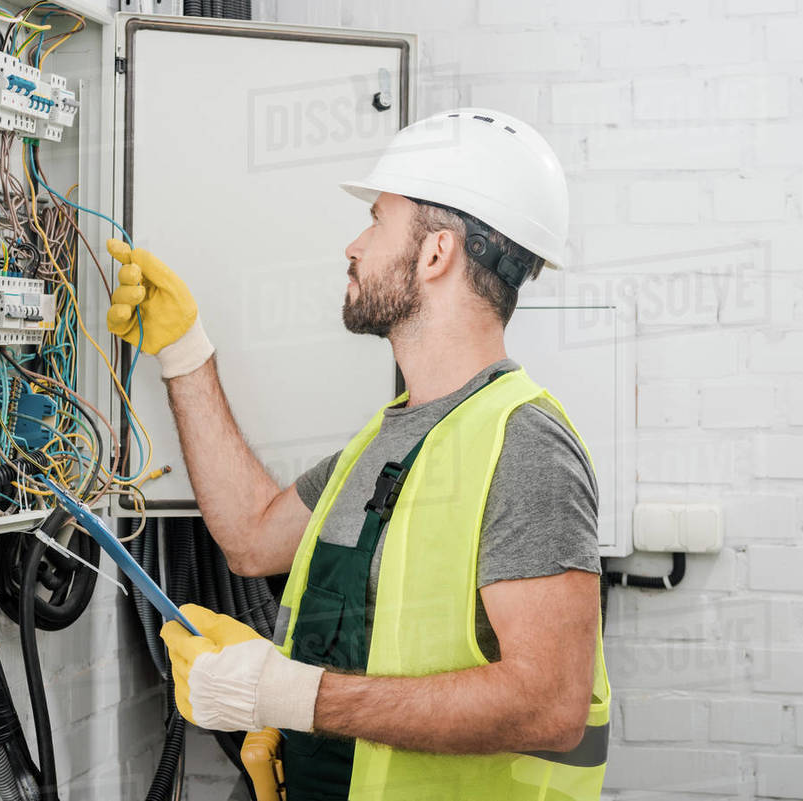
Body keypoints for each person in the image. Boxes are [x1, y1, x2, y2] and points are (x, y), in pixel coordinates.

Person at [104, 107, 611, 801]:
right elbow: (253, 535)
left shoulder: (524, 443)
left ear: (435, 254)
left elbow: (548, 705)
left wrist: (287, 694)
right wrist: (186, 351)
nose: (354, 244)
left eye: (377, 220)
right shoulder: (386, 438)